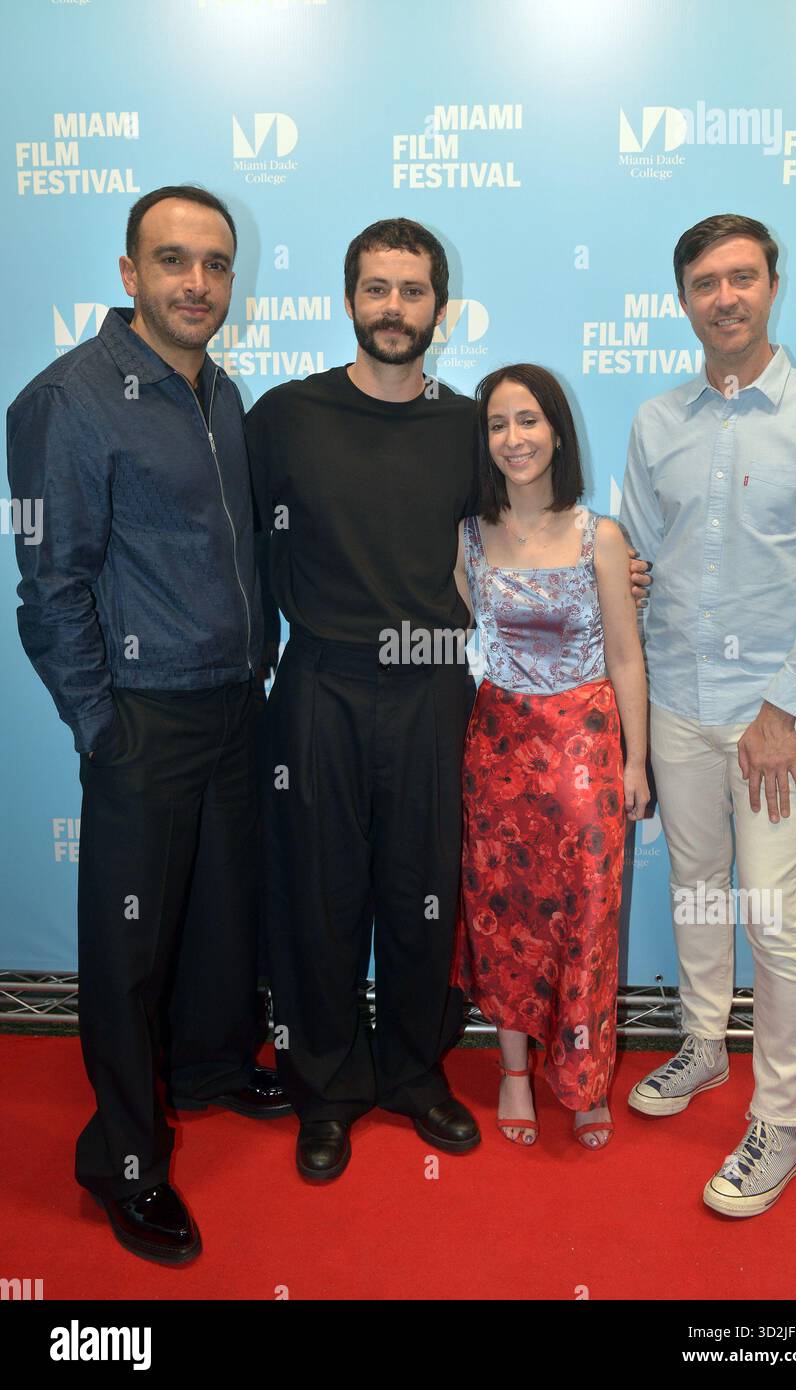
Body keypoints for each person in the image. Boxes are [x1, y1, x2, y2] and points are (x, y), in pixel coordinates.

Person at [6, 186, 292, 1265]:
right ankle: (122, 1160)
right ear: (130, 273)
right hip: (144, 721)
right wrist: (101, 724)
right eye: (174, 262)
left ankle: (212, 1069)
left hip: (232, 705)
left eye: (216, 265)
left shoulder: (218, 392)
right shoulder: (67, 401)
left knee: (223, 915)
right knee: (127, 952)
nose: (198, 283)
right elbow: (50, 588)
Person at [619, 213, 796, 1216]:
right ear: (682, 300)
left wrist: (781, 701)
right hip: (678, 701)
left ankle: (784, 1117)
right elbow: (630, 560)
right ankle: (704, 1045)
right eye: (705, 283)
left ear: (773, 284)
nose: (725, 297)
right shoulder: (654, 423)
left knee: (771, 910)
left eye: (743, 278)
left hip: (777, 711)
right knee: (696, 886)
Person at [246, 218, 482, 1181]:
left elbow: (520, 549)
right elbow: (242, 553)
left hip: (433, 685)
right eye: (376, 289)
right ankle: (326, 1086)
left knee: (425, 896)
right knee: (320, 896)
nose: (394, 308)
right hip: (320, 685)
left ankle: (417, 1074)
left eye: (412, 290)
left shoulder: (470, 425)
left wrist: (608, 573)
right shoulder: (283, 416)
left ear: (439, 307)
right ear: (348, 300)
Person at [451, 364, 649, 1149]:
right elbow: (459, 626)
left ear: (556, 431)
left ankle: (583, 1075)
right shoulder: (465, 537)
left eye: (527, 420)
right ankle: (510, 1070)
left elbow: (627, 658)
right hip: (495, 748)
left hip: (586, 752)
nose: (513, 439)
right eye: (497, 424)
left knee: (587, 920)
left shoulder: (599, 535)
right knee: (502, 915)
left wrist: (633, 764)